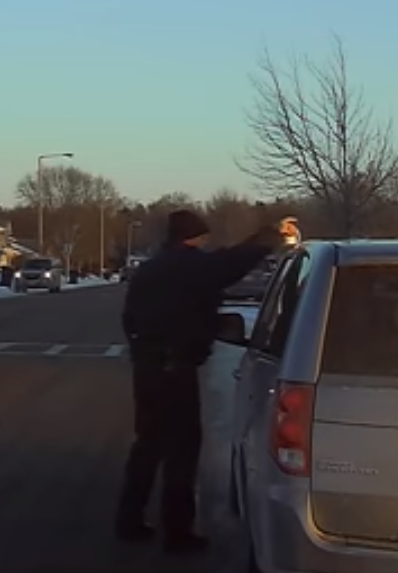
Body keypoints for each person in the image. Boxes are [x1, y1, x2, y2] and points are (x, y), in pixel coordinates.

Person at [114, 209, 298, 553]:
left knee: (148, 445)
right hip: (175, 369)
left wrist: (143, 349)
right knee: (182, 451)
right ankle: (178, 533)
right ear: (192, 236)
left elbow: (129, 318)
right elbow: (227, 265)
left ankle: (129, 520)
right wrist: (270, 236)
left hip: (148, 368)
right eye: (202, 236)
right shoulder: (187, 266)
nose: (205, 242)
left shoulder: (152, 269)